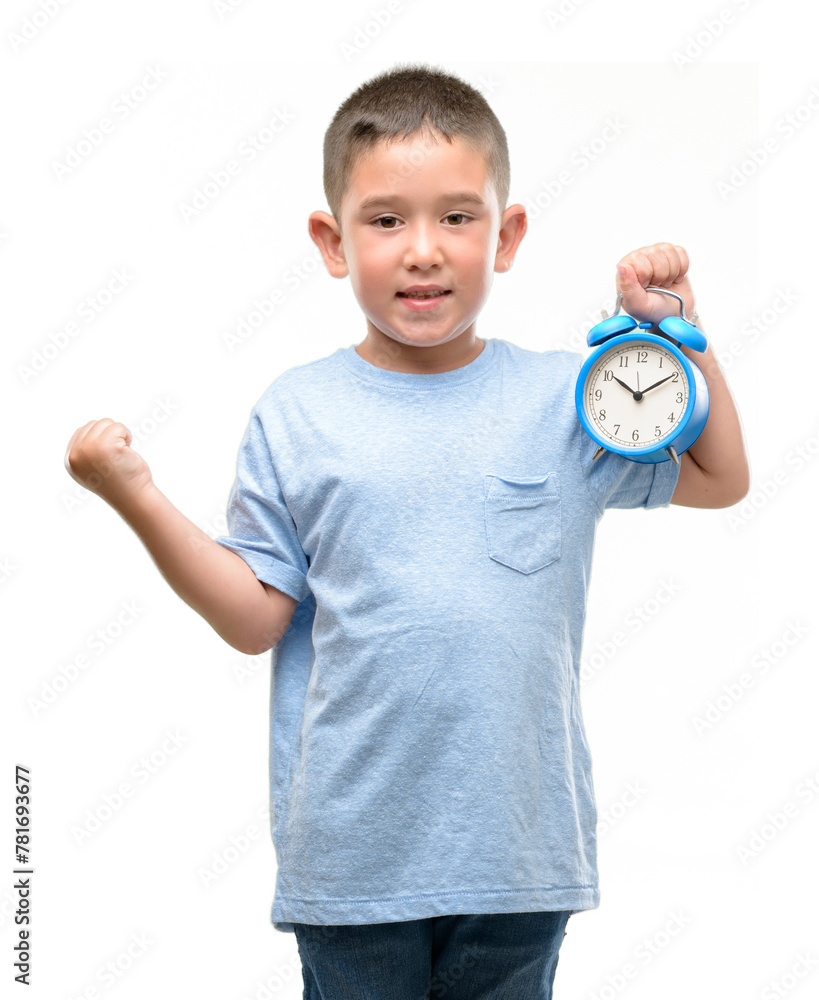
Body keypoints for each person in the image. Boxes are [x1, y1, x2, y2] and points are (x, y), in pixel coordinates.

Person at [64, 63, 750, 999]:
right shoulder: (295, 414)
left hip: (518, 854)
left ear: (505, 236)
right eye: (386, 220)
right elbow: (255, 620)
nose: (422, 250)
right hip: (352, 866)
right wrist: (136, 496)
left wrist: (678, 334)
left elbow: (719, 477)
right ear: (332, 240)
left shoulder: (563, 399)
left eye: (457, 218)